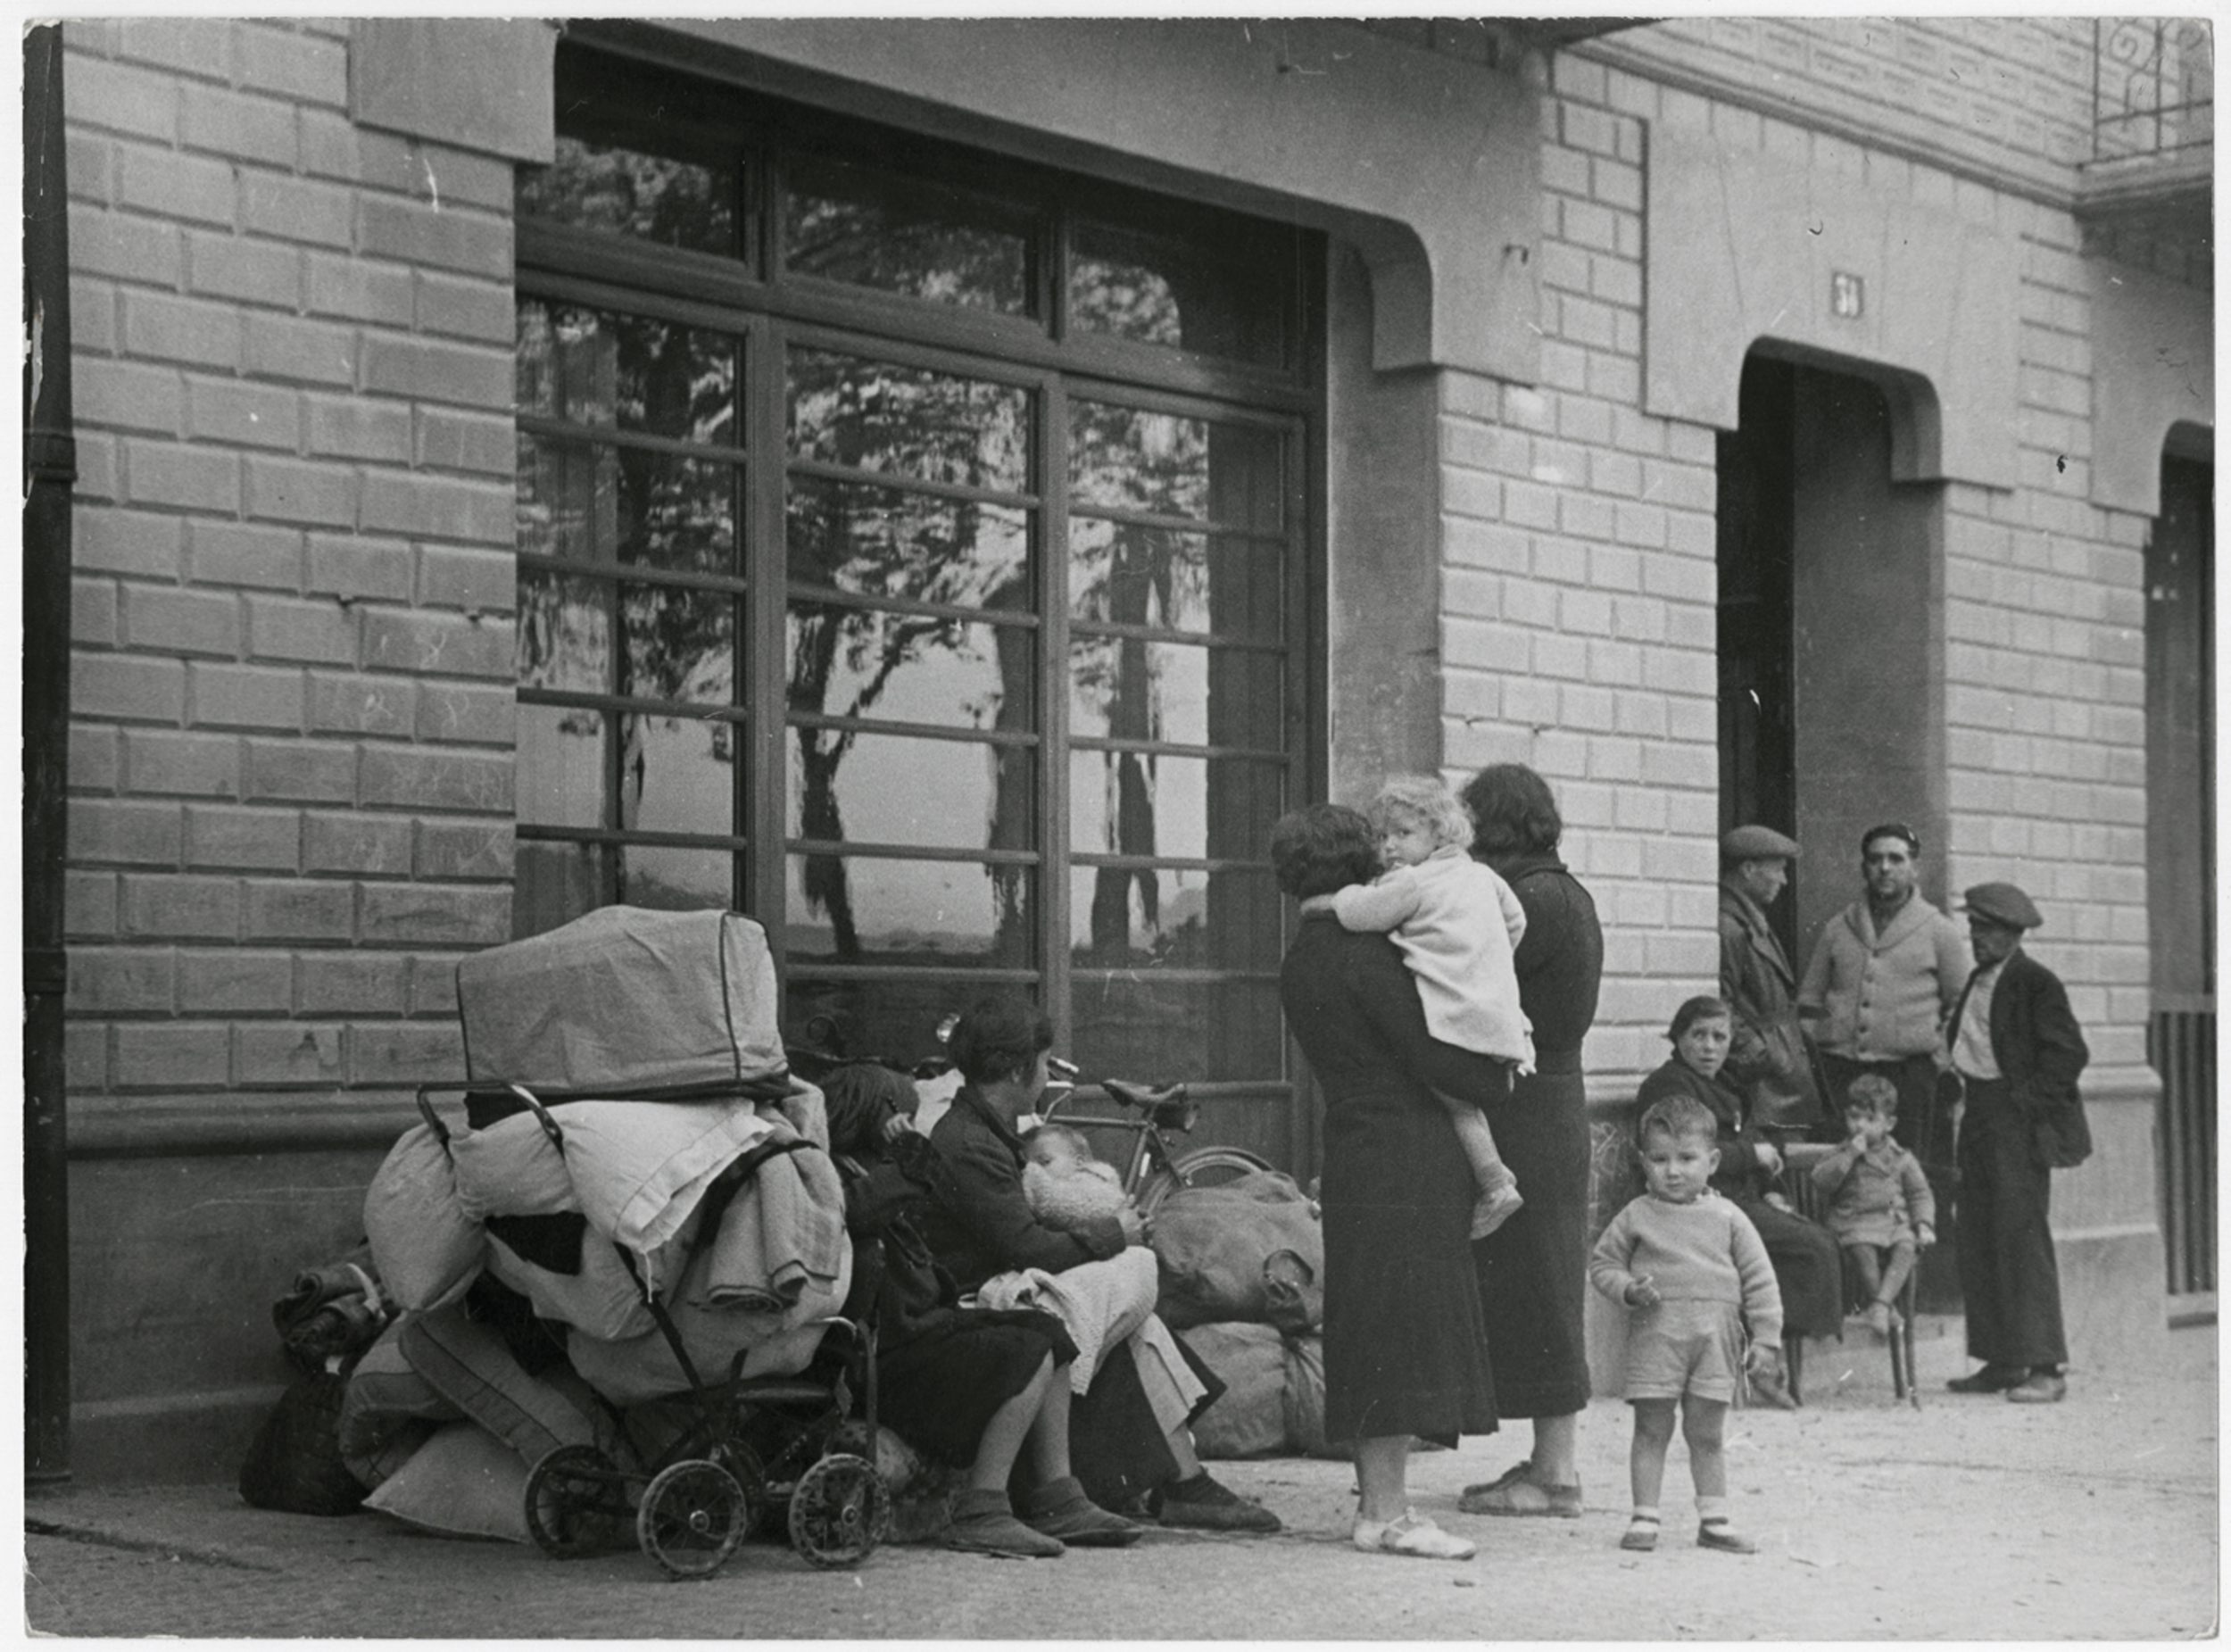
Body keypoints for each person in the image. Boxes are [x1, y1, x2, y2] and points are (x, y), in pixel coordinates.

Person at [913, 997, 1281, 1532]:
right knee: (1130, 1271)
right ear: (1018, 1069)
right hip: (981, 1303)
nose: (1043, 1076)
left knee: (1139, 1315)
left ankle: (1184, 1481)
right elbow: (1026, 1247)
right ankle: (1160, 1483)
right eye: (1041, 1063)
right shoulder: (971, 1142)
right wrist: (1114, 1234)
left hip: (998, 1287)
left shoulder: (981, 1130)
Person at [1273, 801, 1498, 1560]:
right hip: (1408, 1147)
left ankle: (1379, 1504)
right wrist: (1495, 1080)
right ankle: (1389, 1513)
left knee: (1370, 1318)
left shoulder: (1302, 953)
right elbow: (1431, 1055)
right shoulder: (1367, 956)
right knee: (1402, 1324)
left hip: (1356, 1142)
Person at [825, 1076, 1140, 1557]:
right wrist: (906, 1149)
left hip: (920, 1329)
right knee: (1025, 1351)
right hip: (888, 1351)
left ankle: (1058, 1496)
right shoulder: (843, 1174)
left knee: (1049, 1333)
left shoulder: (876, 1168)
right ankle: (982, 1509)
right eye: (902, 1112)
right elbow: (863, 1212)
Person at [1454, 763, 1600, 1519]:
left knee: (1542, 1283)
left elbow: (1468, 984)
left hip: (1526, 1105)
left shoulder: (1527, 899)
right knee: (1546, 1277)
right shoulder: (1564, 889)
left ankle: (1556, 1472)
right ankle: (1550, 1460)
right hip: (1554, 1101)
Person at [1305, 775, 1530, 1239]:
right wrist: (1483, 957)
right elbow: (1516, 920)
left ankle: (1494, 1182)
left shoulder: (1412, 883)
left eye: (1403, 834)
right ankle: (1492, 1179)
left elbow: (1359, 914)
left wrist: (1336, 897)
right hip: (1495, 1012)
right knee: (1464, 1098)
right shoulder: (1482, 876)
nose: (1389, 847)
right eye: (1384, 835)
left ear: (1441, 833)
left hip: (1456, 1013)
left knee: (1447, 1090)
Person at [1589, 1091, 1782, 1555]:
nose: (1673, 1170)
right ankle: (1644, 1517)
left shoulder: (1728, 1217)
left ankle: (1714, 1520)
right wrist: (1629, 1289)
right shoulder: (1636, 1215)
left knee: (1707, 1432)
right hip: (1658, 1337)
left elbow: (1760, 1279)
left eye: (1686, 1158)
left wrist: (1767, 1339)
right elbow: (1603, 1265)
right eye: (1659, 1159)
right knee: (1652, 1429)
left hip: (1716, 1339)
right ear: (1642, 1162)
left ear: (1713, 1161)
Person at [1638, 996, 1842, 1385]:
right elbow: (1684, 1158)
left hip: (1739, 1201)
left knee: (1811, 1240)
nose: (1710, 1047)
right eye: (1698, 1035)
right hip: (1699, 1207)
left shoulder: (1724, 1085)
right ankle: (1761, 1359)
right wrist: (1753, 1154)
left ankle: (1760, 1352)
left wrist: (1771, 1190)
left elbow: (1749, 1142)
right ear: (1678, 1038)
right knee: (1811, 1247)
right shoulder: (1671, 1086)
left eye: (1720, 1036)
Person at [1942, 882, 2090, 1404]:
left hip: (2014, 1122)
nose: (1976, 937)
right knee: (1978, 1236)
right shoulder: (1982, 977)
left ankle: (2047, 1368)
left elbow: (2068, 1055)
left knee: (2021, 1240)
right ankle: (2002, 1360)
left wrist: (2022, 1106)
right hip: (1979, 1114)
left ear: (2012, 932)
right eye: (1975, 928)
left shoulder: (2036, 982)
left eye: (1985, 929)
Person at [1809, 1072, 1937, 1338]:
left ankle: (1880, 1304)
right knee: (1862, 1246)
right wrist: (1850, 1155)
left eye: (1870, 1119)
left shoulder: (1901, 1158)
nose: (1860, 1127)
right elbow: (1821, 1181)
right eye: (1854, 1118)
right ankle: (1883, 1306)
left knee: (1907, 1246)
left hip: (1892, 1221)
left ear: (1889, 1123)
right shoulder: (1841, 1152)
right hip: (1852, 1220)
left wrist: (1923, 1223)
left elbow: (1920, 1194)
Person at [1717, 825, 1820, 1135]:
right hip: (1761, 1088)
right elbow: (1720, 1006)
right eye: (1778, 870)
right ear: (1748, 869)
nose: (1784, 880)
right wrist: (1764, 1056)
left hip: (1775, 1087)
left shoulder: (1747, 921)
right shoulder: (1730, 926)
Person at [1021, 1124, 1129, 1235]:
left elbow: (1054, 1203)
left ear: (1079, 1163)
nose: (1032, 1170)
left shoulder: (1093, 1187)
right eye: (1026, 1166)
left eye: (1045, 1161)